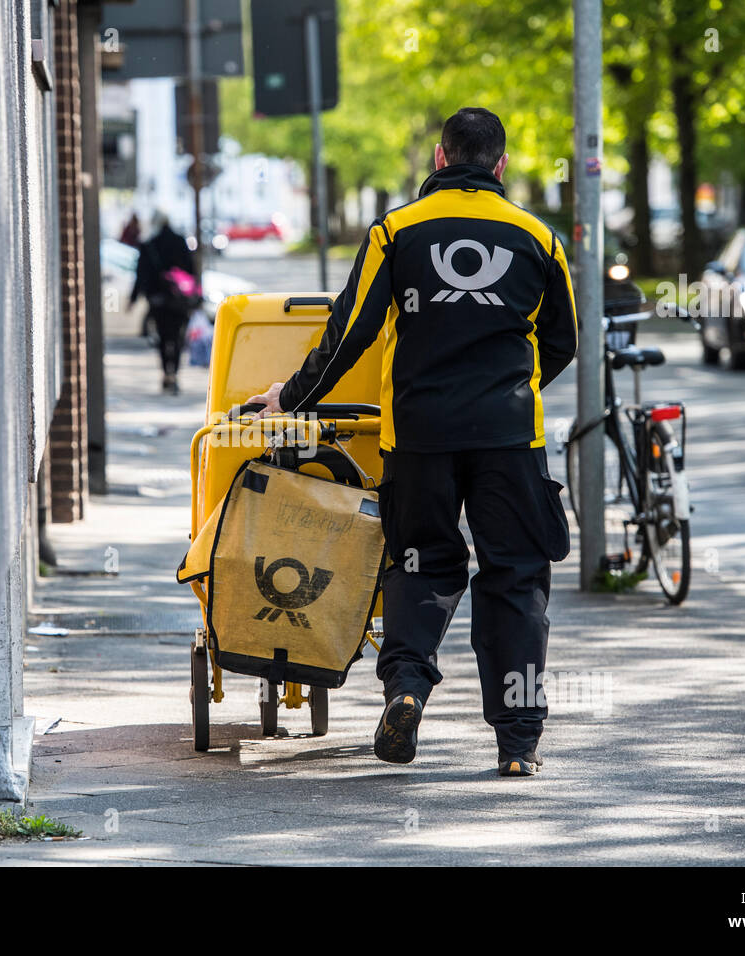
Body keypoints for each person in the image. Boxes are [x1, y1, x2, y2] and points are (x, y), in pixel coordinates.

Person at [247, 107, 577, 777]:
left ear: (438, 158)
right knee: (515, 577)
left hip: (419, 436)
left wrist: (292, 396)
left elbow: (350, 332)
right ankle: (517, 746)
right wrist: (513, 389)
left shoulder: (396, 231)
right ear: (500, 165)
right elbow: (563, 341)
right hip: (510, 439)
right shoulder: (540, 237)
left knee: (422, 563)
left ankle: (405, 690)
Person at [131, 212, 199, 395]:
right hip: (180, 300)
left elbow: (141, 275)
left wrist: (134, 298)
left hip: (157, 302)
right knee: (177, 338)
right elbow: (191, 270)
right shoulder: (180, 241)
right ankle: (174, 374)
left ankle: (166, 374)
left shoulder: (148, 244)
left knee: (162, 339)